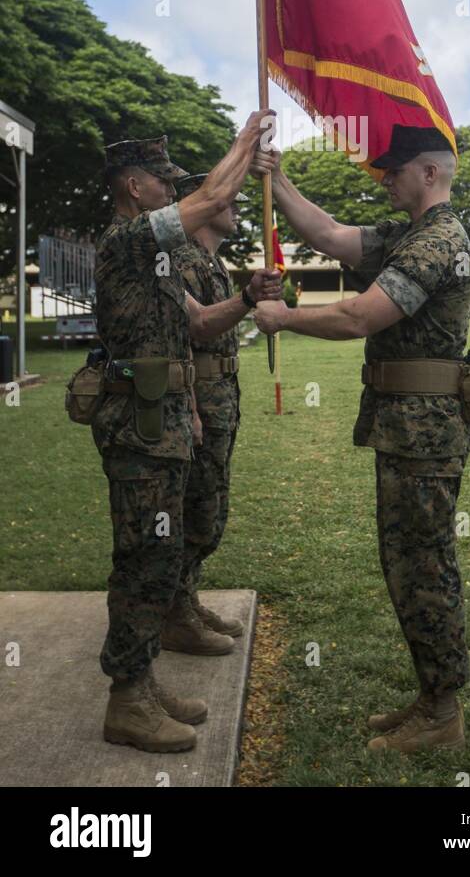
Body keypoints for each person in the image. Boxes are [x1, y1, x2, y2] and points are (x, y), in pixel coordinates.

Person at [253, 125, 470, 754]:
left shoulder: (438, 241)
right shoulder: (410, 235)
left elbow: (361, 316)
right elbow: (327, 235)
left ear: (428, 174)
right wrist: (276, 175)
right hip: (406, 429)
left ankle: (442, 714)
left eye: (395, 170)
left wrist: (285, 318)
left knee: (425, 568)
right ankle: (432, 697)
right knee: (407, 563)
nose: (384, 178)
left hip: (423, 434)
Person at [93, 114, 269, 753]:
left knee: (161, 556)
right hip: (138, 426)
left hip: (164, 421)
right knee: (142, 559)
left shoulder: (158, 258)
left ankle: (141, 684)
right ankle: (127, 700)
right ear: (134, 188)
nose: (174, 193)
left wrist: (247, 299)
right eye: (164, 184)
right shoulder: (127, 240)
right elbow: (216, 197)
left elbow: (197, 326)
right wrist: (248, 141)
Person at [161, 179, 282, 652]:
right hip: (200, 400)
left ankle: (186, 599)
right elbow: (186, 337)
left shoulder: (210, 261)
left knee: (211, 507)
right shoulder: (183, 260)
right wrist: (191, 407)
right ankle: (175, 613)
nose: (234, 208)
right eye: (226, 201)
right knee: (196, 510)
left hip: (221, 397)